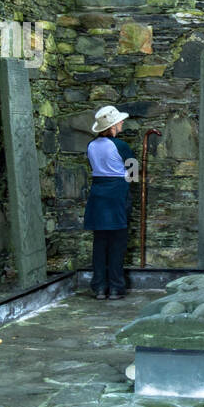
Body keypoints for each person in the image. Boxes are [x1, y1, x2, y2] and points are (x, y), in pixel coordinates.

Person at [83, 105, 135, 300]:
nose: (122, 123)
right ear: (112, 127)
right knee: (117, 243)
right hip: (117, 195)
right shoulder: (121, 146)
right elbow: (134, 174)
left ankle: (99, 287)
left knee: (100, 243)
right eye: (118, 121)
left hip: (98, 195)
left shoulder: (90, 146)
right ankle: (115, 286)